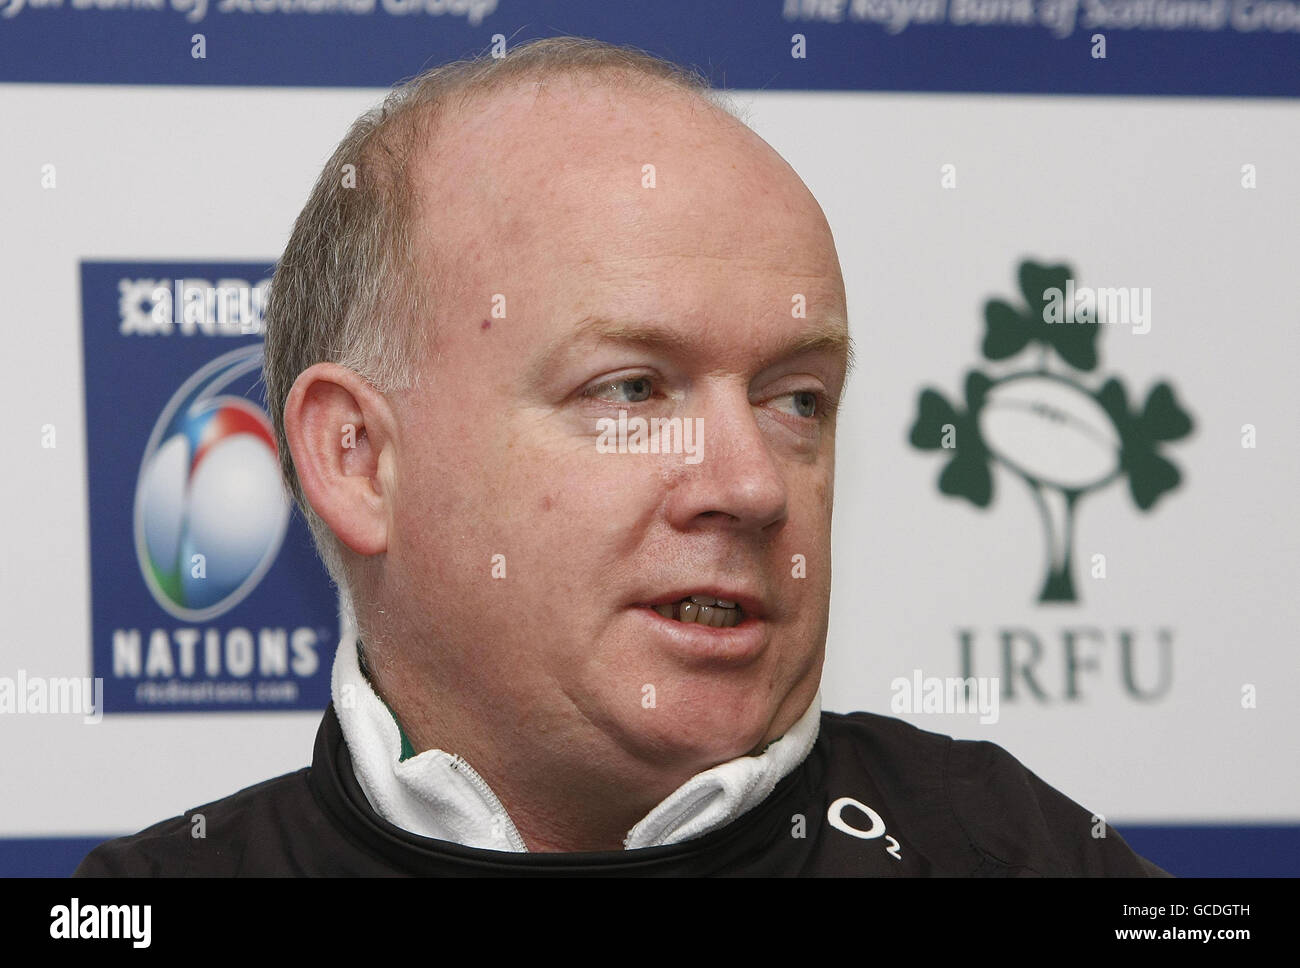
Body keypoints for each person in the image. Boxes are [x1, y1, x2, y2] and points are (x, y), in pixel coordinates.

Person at [76, 36, 1167, 876]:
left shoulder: (1020, 855)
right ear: (358, 458)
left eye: (796, 398)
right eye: (633, 389)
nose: (749, 485)